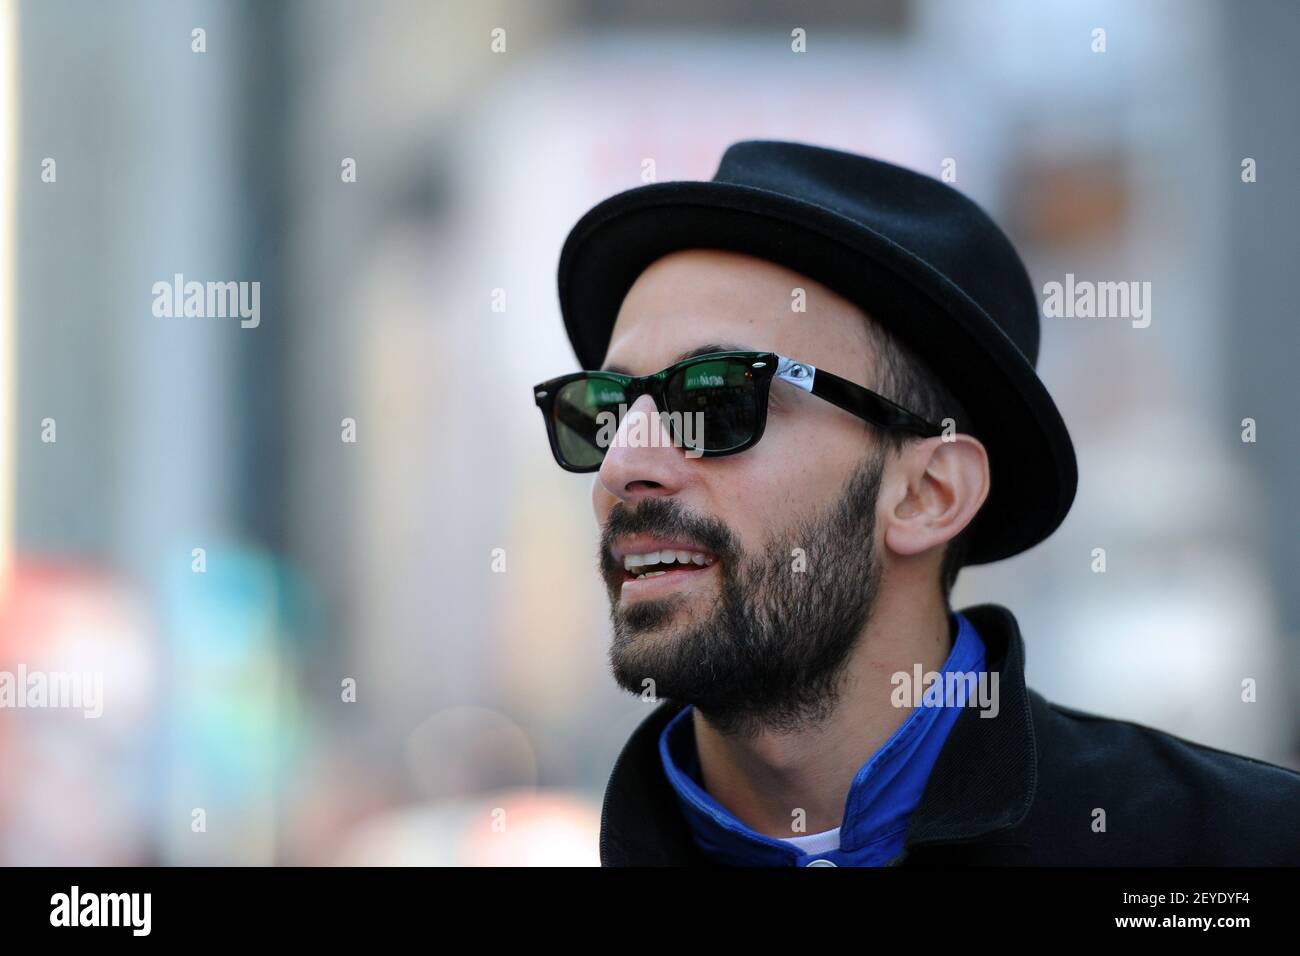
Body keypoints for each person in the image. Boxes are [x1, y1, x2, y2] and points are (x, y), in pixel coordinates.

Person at [532, 140, 1300, 866]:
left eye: (718, 396)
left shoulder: (1236, 848)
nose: (622, 466)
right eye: (607, 408)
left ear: (929, 494)